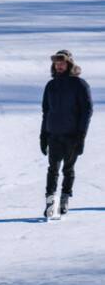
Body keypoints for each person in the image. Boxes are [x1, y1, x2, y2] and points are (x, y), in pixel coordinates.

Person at [41, 50, 93, 218]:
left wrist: (81, 135)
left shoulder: (79, 84)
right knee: (52, 170)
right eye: (56, 63)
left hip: (72, 135)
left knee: (68, 170)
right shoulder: (51, 85)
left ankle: (64, 199)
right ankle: (50, 203)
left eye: (62, 63)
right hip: (53, 134)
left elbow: (87, 111)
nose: (59, 66)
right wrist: (43, 135)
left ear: (69, 64)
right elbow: (46, 111)